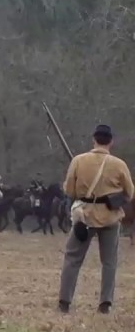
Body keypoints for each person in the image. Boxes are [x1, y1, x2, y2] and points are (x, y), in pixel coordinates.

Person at [58, 124, 134, 314]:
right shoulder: (119, 164)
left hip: (84, 216)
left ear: (94, 139)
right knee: (109, 262)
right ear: (111, 141)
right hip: (110, 217)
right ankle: (105, 303)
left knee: (72, 259)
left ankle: (64, 302)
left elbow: (69, 191)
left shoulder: (78, 160)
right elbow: (130, 193)